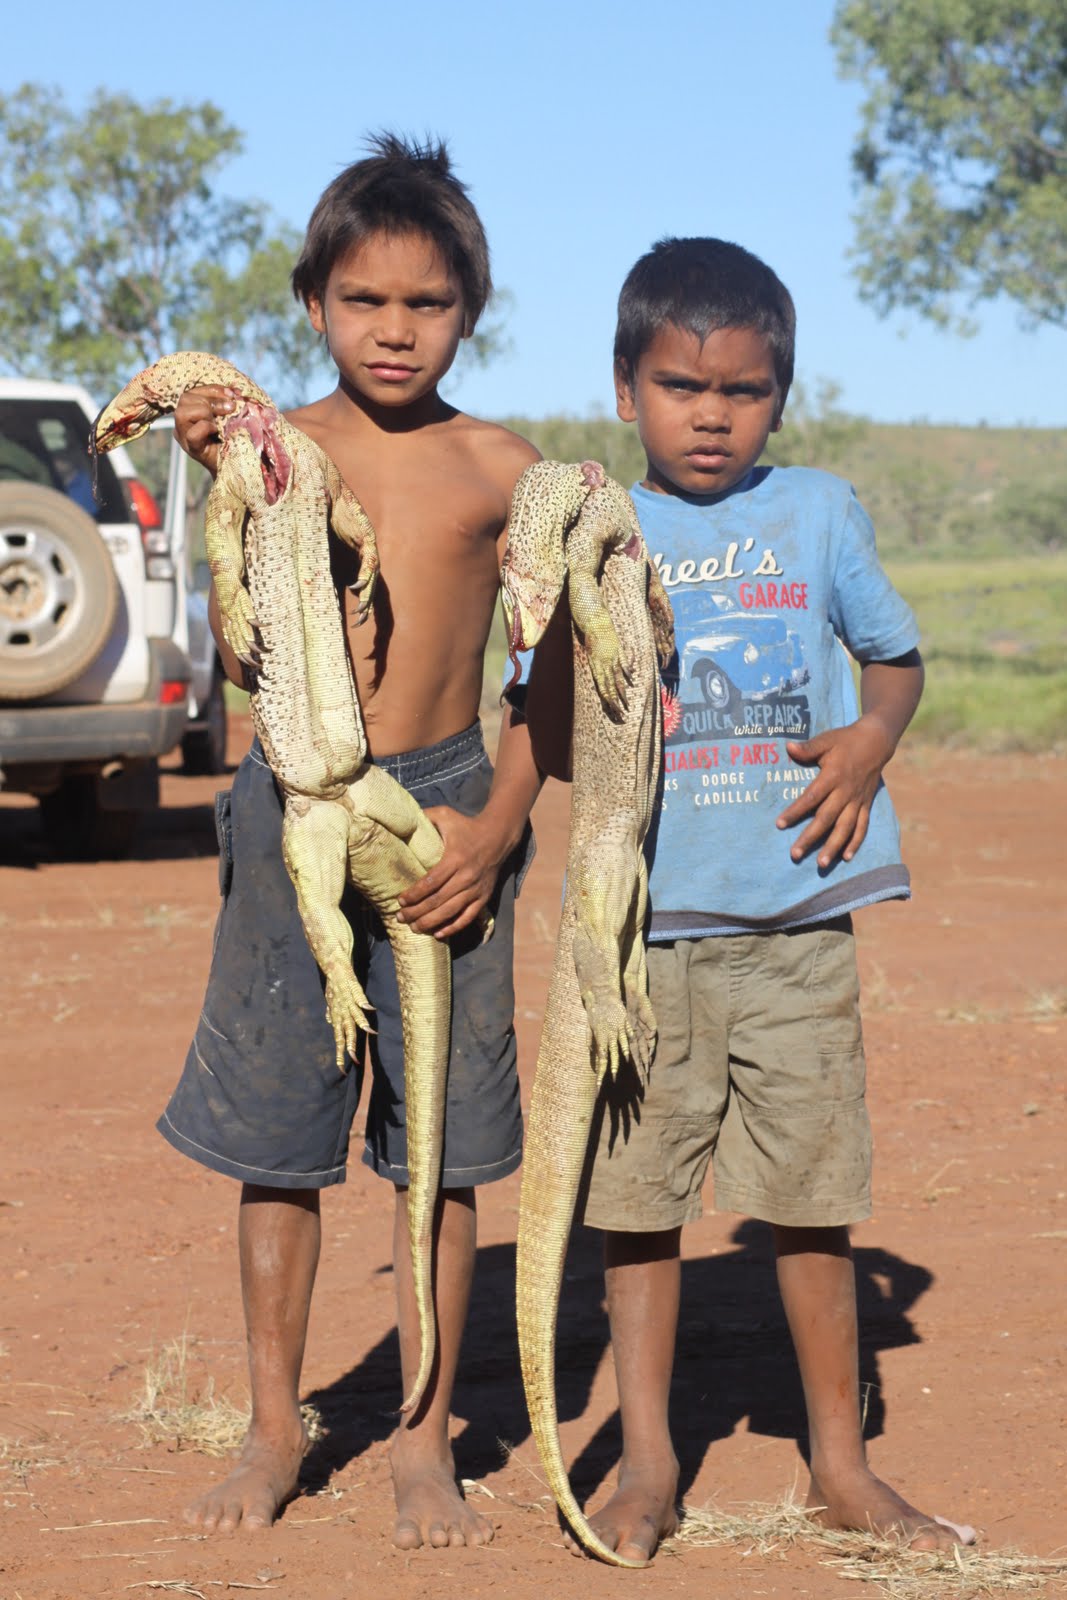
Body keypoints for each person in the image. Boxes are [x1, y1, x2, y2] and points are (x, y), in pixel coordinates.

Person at [528, 235, 974, 1564]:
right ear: (625, 389)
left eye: (741, 391)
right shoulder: (601, 529)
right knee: (639, 1202)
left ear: (779, 394)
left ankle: (840, 1464)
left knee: (812, 1197)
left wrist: (872, 742)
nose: (709, 415)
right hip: (645, 936)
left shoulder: (822, 515)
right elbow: (547, 721)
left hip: (796, 925)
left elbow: (894, 659)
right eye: (679, 386)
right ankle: (652, 1463)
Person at [160, 133, 546, 1549]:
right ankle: (275, 1432)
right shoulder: (274, 453)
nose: (396, 328)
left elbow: (555, 681)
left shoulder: (503, 468)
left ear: (471, 313)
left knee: (437, 1150)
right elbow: (238, 644)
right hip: (297, 808)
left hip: (446, 808)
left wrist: (496, 826)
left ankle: (422, 1442)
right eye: (364, 299)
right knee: (281, 1140)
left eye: (427, 302)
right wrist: (232, 484)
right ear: (313, 301)